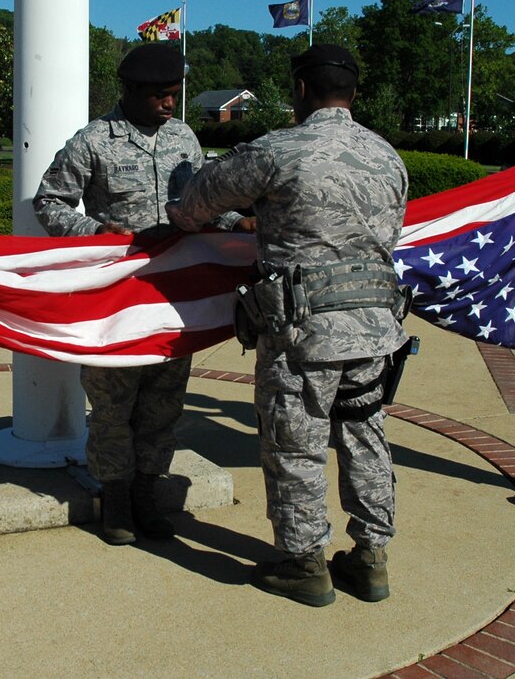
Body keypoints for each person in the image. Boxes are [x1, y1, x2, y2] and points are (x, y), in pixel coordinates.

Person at [166, 44, 408, 607]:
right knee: (365, 435)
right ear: (353, 92)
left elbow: (192, 208)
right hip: (375, 328)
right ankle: (371, 558)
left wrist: (210, 208)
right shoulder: (387, 156)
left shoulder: (277, 150)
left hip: (304, 330)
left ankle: (304, 563)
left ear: (300, 89)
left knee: (295, 444)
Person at [33, 44, 253, 546]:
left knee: (164, 402)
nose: (170, 104)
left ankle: (147, 492)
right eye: (159, 96)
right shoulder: (93, 141)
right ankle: (115, 498)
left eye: (174, 94)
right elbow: (50, 201)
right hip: (117, 296)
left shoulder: (183, 137)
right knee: (112, 404)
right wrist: (95, 232)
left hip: (174, 294)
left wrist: (235, 222)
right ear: (130, 90)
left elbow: (202, 202)